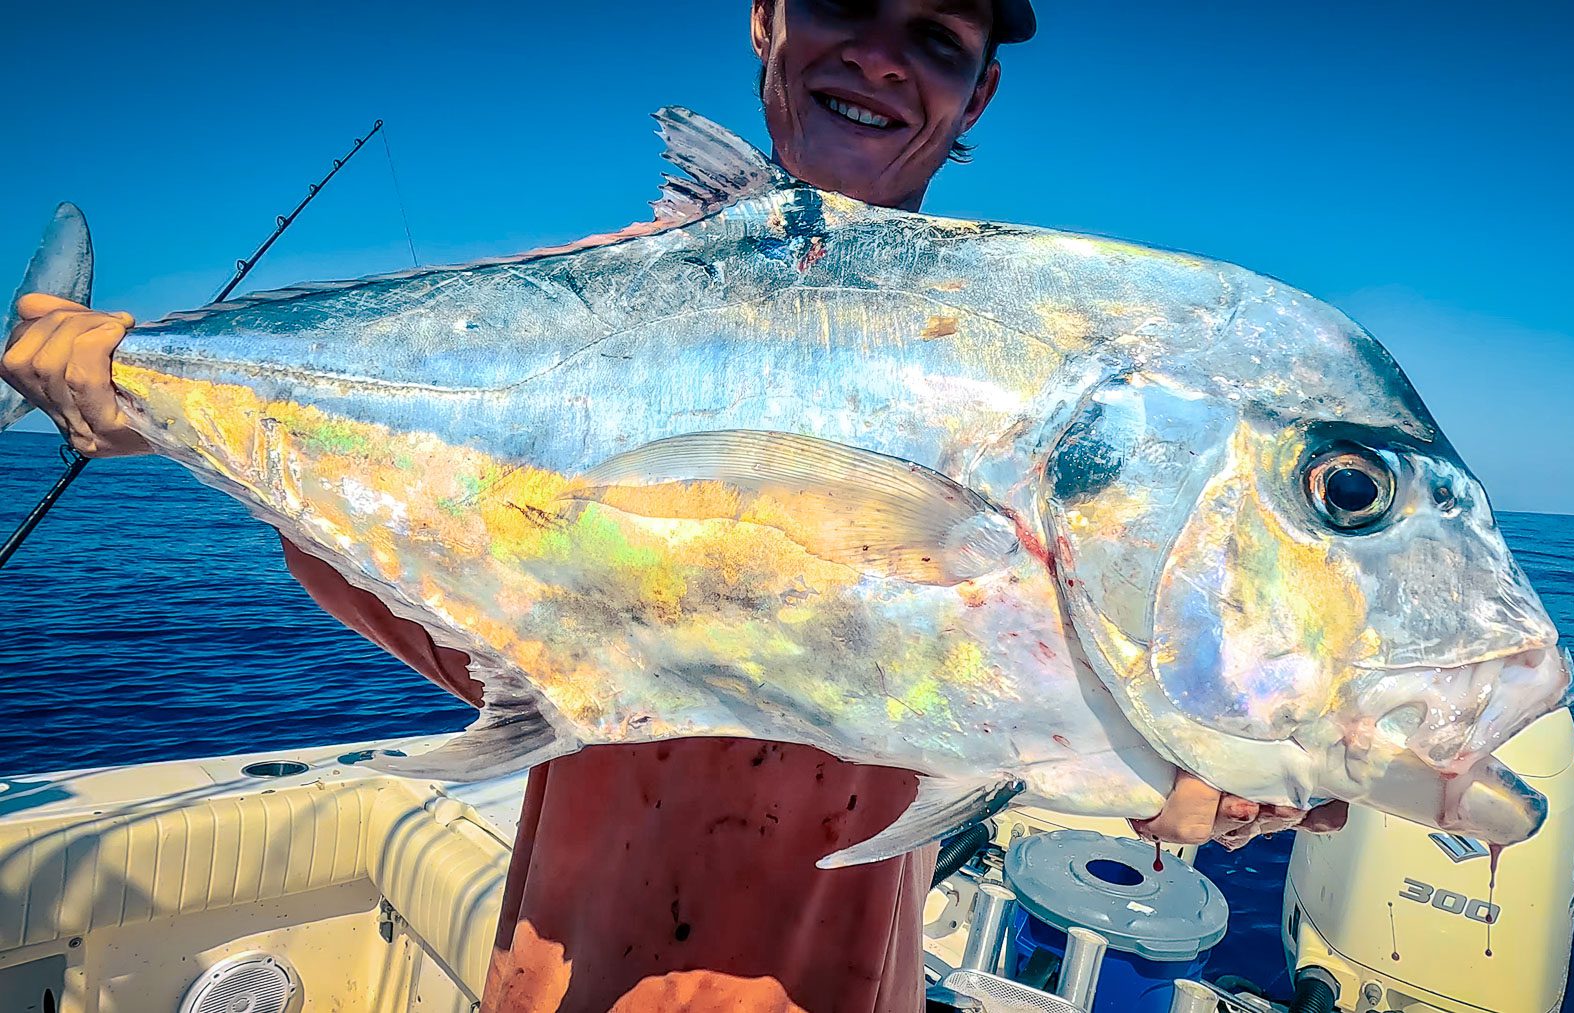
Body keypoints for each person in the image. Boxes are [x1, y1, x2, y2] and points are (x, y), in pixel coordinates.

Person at [2, 2, 1344, 1009]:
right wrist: (145, 391)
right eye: (840, 0)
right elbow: (432, 592)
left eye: (933, 37)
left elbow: (1028, 682)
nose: (880, 56)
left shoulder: (1008, 367)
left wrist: (1200, 761)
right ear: (763, 18)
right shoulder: (546, 314)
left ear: (977, 92)